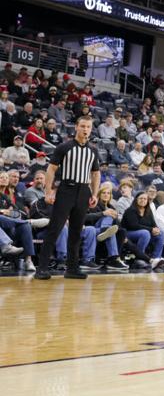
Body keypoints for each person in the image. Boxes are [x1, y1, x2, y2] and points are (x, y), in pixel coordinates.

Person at [35, 115, 101, 280]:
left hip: (84, 191)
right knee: (55, 228)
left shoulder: (93, 150)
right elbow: (51, 169)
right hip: (66, 189)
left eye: (88, 127)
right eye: (83, 126)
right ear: (76, 127)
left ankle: (72, 268)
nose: (86, 130)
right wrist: (48, 192)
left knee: (76, 231)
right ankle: (41, 268)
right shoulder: (64, 147)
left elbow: (95, 173)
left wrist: (94, 193)